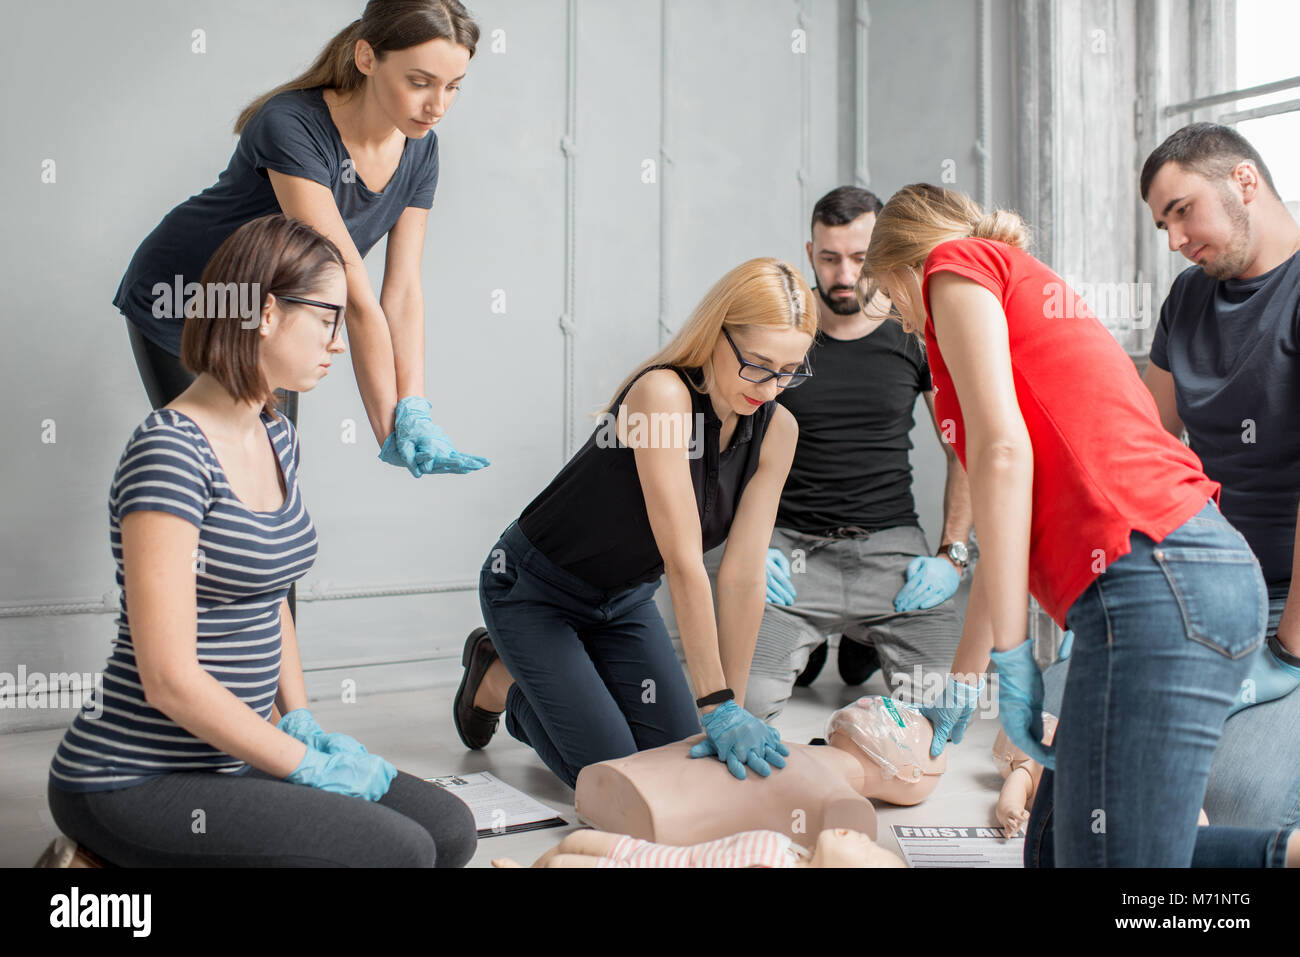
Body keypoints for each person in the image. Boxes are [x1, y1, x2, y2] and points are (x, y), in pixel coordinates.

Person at [859, 182, 1298, 866]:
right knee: (1059, 846)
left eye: (892, 300)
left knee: (1115, 862)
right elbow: (1005, 518)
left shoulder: (954, 263)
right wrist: (965, 680)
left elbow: (1002, 454)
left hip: (1158, 579)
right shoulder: (1015, 294)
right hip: (1185, 574)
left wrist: (1012, 656)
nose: (904, 323)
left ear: (900, 266)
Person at [45, 215, 476, 867]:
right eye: (327, 319)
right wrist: (302, 764)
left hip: (236, 752)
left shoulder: (277, 435)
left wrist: (300, 720)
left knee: (448, 830)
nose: (339, 343)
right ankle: (93, 857)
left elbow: (269, 594)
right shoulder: (170, 452)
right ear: (267, 313)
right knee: (402, 853)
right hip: (134, 776)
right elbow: (168, 680)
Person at [1022, 123, 1300, 865]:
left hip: (1291, 606)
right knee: (1064, 800)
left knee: (1236, 801)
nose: (1174, 240)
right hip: (1200, 579)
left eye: (1182, 211)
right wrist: (1109, 585)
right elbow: (1143, 443)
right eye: (1162, 225)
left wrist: (1289, 653)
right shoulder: (1188, 299)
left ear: (1244, 182)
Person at [454, 259, 816, 787]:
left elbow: (742, 576)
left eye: (789, 371)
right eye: (757, 365)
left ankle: (563, 679)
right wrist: (713, 704)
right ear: (716, 334)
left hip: (623, 602)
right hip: (534, 590)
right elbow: (684, 562)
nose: (769, 388)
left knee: (674, 764)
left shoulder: (779, 429)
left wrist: (733, 709)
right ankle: (496, 678)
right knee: (614, 777)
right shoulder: (661, 395)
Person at [113, 0, 487, 483]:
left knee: (274, 473)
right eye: (419, 82)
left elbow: (402, 290)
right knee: (223, 474)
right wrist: (388, 430)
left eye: (452, 86)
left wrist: (413, 408)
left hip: (275, 312)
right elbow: (353, 291)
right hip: (189, 298)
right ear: (367, 58)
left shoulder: (421, 150)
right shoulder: (291, 124)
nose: (437, 106)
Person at [718, 186, 971, 725]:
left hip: (892, 551)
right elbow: (729, 446)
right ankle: (817, 639)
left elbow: (963, 451)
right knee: (746, 704)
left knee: (943, 708)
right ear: (811, 254)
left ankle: (859, 635)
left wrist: (952, 557)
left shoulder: (913, 331)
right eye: (830, 259)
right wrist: (747, 544)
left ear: (880, 254)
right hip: (793, 550)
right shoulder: (785, 330)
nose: (845, 274)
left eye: (860, 258)